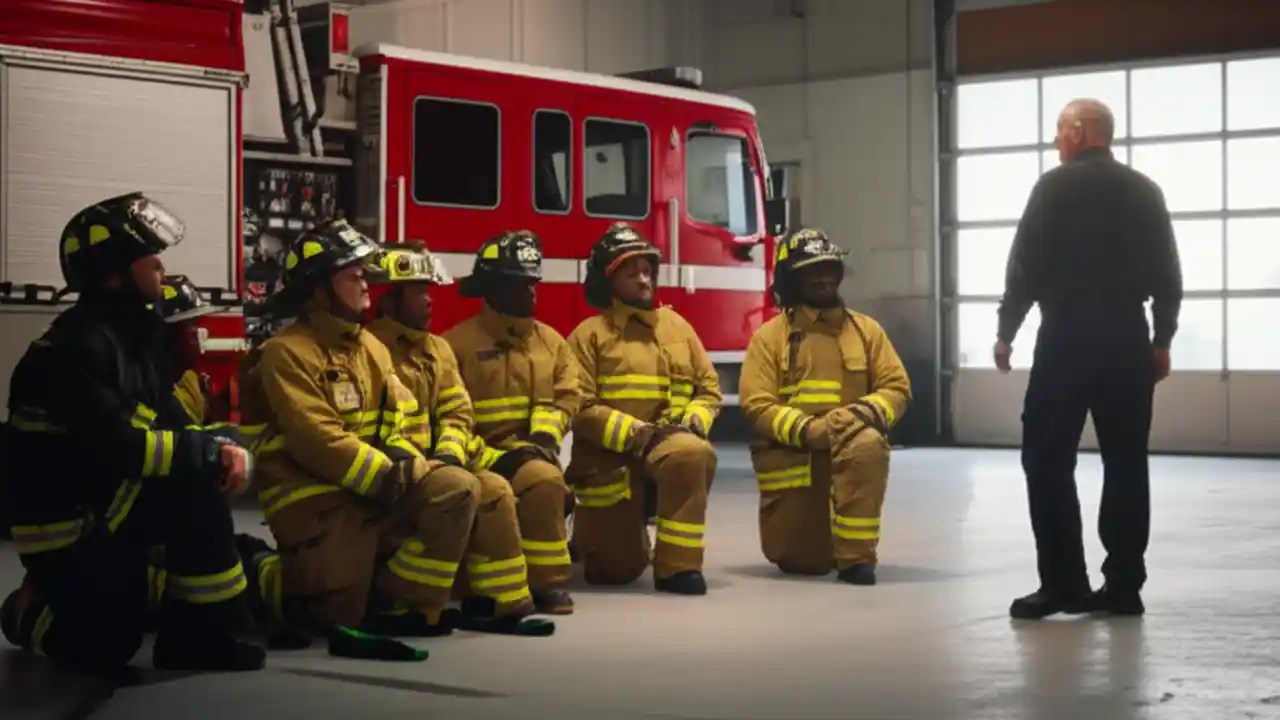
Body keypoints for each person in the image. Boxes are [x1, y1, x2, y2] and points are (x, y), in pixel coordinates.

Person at [0, 192, 263, 672]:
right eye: (151, 258)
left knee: (200, 495)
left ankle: (203, 638)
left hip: (114, 504)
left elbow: (170, 421)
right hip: (69, 527)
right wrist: (205, 451)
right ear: (114, 272)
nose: (162, 268)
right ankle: (24, 611)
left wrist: (223, 448)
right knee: (107, 646)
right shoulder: (70, 351)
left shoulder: (133, 340)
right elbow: (117, 449)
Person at [239, 219, 484, 649]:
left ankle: (397, 606)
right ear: (318, 290)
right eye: (353, 277)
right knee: (330, 615)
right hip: (314, 500)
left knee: (456, 489)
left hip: (367, 489)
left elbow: (401, 415)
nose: (366, 284)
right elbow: (317, 437)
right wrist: (389, 476)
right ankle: (255, 569)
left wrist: (410, 460)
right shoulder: (285, 353)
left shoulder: (370, 346)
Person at [997, 99, 1183, 619]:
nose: (1056, 143)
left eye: (1059, 132)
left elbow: (1024, 266)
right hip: (1127, 336)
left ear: (1079, 132)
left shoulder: (1052, 188)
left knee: (1046, 457)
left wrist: (1006, 331)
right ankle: (1124, 587)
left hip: (1067, 336)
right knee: (1126, 461)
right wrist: (1162, 339)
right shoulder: (1144, 190)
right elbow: (1168, 272)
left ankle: (1063, 584)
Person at [366, 244, 553, 636]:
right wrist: (428, 468)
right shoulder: (371, 351)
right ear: (389, 298)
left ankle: (500, 605)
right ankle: (409, 602)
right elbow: (380, 427)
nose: (429, 300)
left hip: (441, 466)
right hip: (397, 472)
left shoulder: (438, 349)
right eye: (418, 291)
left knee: (496, 491)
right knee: (460, 489)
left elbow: (457, 411)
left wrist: (449, 454)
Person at [740, 228, 911, 585]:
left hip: (851, 439)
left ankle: (857, 560)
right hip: (795, 458)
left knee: (869, 446)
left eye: (830, 268)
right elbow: (756, 403)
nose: (823, 277)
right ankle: (818, 544)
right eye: (811, 270)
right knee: (805, 562)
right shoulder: (769, 337)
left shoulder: (867, 331)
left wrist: (858, 417)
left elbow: (896, 387)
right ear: (791, 279)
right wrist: (807, 431)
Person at [565, 223, 720, 595]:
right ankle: (590, 533)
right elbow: (579, 407)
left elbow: (709, 389)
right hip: (610, 462)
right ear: (607, 280)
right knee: (615, 572)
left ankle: (678, 568)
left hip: (671, 445)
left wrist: (693, 424)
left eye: (647, 270)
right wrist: (638, 434)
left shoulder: (679, 327)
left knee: (691, 454)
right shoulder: (587, 336)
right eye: (630, 271)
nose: (643, 278)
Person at [442, 231, 581, 615]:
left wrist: (543, 438)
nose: (532, 293)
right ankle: (504, 586)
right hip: (474, 456)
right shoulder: (454, 346)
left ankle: (547, 582)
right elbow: (449, 416)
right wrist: (488, 456)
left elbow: (568, 396)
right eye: (519, 284)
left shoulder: (552, 343)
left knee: (545, 480)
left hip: (532, 452)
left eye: (532, 282)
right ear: (492, 288)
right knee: (533, 482)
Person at [154, 274, 228, 425]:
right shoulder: (149, 392)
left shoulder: (188, 378)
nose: (198, 334)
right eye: (190, 324)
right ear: (163, 335)